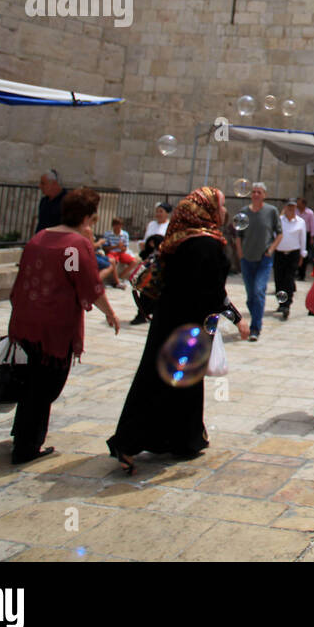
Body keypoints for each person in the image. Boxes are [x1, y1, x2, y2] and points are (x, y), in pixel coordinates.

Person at [108, 187, 249, 474]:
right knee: (179, 383)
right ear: (206, 210)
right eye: (220, 206)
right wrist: (237, 319)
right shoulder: (207, 244)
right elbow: (213, 292)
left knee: (156, 377)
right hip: (190, 324)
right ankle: (142, 441)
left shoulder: (178, 239)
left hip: (167, 320)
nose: (224, 212)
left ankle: (180, 439)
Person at [8, 188, 120, 464]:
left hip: (26, 322)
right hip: (53, 329)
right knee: (45, 386)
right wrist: (110, 313)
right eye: (93, 220)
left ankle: (22, 435)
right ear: (86, 218)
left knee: (32, 381)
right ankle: (27, 446)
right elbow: (88, 283)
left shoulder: (40, 237)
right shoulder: (75, 244)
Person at [233, 182, 281, 342]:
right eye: (253, 192)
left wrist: (271, 250)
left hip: (264, 259)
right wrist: (240, 254)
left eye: (259, 192)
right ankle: (256, 318)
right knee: (250, 296)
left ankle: (255, 328)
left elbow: (279, 234)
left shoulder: (271, 211)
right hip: (247, 258)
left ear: (264, 195)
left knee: (259, 292)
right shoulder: (244, 212)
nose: (255, 194)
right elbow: (238, 235)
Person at [273, 201, 307, 320]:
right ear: (285, 208)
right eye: (289, 207)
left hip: (293, 253)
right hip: (279, 253)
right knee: (278, 278)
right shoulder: (279, 220)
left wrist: (303, 255)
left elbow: (303, 239)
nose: (291, 210)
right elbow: (274, 235)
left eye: (293, 208)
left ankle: (287, 304)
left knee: (289, 278)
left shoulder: (300, 222)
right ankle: (281, 303)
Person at [127, 233, 166, 325]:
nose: (151, 245)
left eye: (153, 242)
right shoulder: (150, 253)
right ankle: (142, 315)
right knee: (144, 299)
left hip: (155, 282)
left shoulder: (162, 253)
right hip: (146, 281)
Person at [98, 217, 138, 287]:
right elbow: (105, 248)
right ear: (113, 225)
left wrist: (121, 247)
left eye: (119, 225)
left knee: (134, 261)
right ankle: (117, 281)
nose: (118, 227)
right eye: (116, 225)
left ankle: (120, 277)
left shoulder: (125, 234)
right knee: (113, 262)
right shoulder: (108, 234)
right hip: (111, 252)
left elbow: (125, 248)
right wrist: (116, 246)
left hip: (121, 253)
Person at [34, 170, 66, 234]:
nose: (40, 186)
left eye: (43, 183)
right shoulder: (44, 201)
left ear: (54, 184)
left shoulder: (67, 201)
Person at [295, 197, 314, 280]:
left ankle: (302, 274)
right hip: (296, 233)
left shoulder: (310, 213)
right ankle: (295, 271)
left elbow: (313, 225)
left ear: (303, 204)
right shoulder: (295, 211)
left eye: (299, 202)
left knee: (304, 254)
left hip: (306, 234)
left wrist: (312, 237)